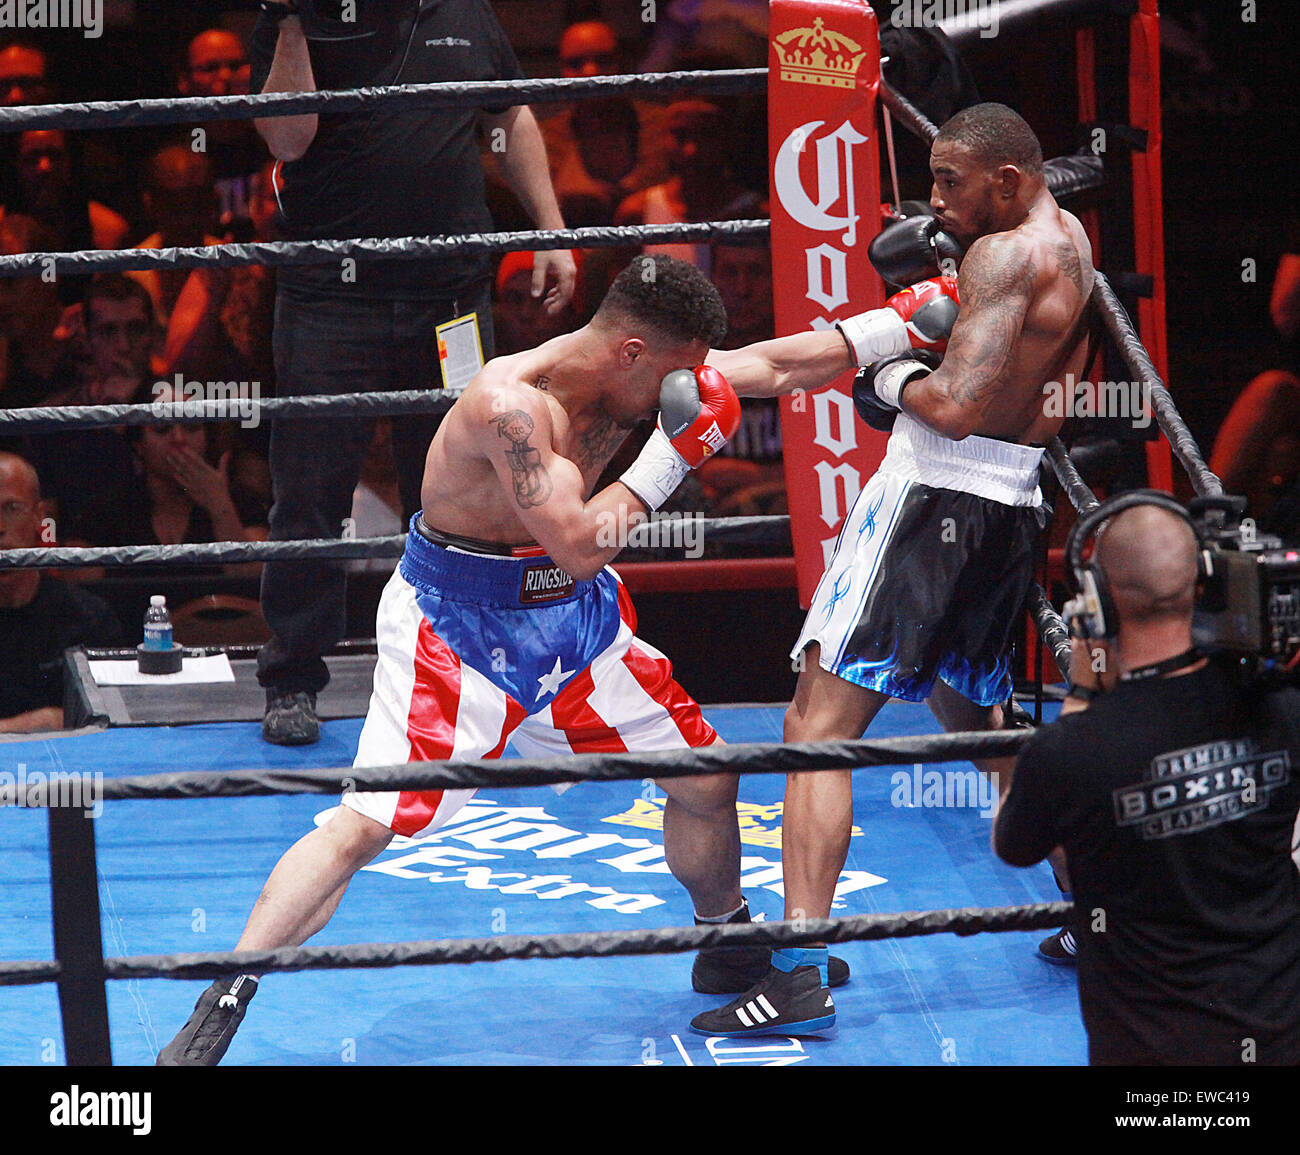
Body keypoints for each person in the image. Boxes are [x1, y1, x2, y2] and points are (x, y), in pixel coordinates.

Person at [157, 248, 943, 1064]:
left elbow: (776, 364)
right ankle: (227, 992)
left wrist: (898, 322)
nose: (687, 393)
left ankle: (728, 938)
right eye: (677, 376)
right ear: (632, 352)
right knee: (365, 825)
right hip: (457, 632)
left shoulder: (645, 369)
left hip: (573, 632)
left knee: (706, 776)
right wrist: (675, 454)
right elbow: (574, 543)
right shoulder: (512, 406)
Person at [690, 102, 1096, 1038]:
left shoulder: (1000, 258)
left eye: (951, 181)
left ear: (1006, 179)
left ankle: (795, 972)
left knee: (815, 729)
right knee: (982, 726)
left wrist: (888, 383)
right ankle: (1100, 915)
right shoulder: (1066, 235)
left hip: (932, 500)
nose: (934, 200)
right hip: (1006, 504)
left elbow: (950, 405)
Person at [249, 0, 578, 748]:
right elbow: (286, 139)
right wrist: (295, 22)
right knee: (309, 490)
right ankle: (294, 676)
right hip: (332, 293)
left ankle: (455, 671)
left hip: (450, 295)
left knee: (459, 492)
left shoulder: (465, 11)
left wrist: (553, 231)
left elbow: (511, 115)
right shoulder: (294, 17)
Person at [994, 498, 1300, 1065]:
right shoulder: (1279, 712)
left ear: (1100, 602)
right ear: (1203, 581)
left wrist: (1083, 695)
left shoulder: (1071, 751)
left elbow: (1014, 845)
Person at [0, 452, 123, 734]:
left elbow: (116, 717)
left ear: (39, 517)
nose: (0, 528)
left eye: (12, 508)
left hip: (71, 774)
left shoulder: (87, 616)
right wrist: (41, 722)